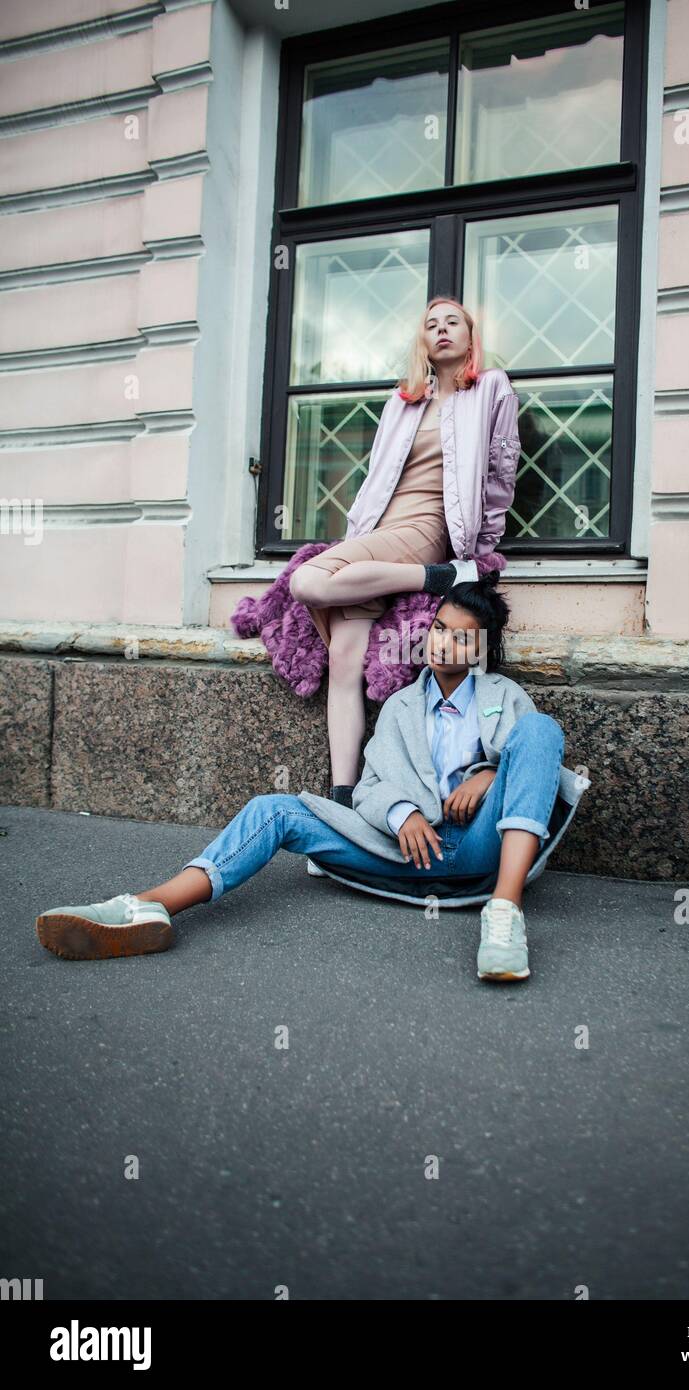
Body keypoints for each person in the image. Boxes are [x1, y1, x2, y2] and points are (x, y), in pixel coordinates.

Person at [35, 575, 576, 984]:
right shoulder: (401, 707)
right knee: (275, 809)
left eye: (462, 639)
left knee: (541, 730)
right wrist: (401, 812)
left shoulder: (504, 698)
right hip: (401, 852)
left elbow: (534, 763)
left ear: (481, 649)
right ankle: (149, 907)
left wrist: (487, 774)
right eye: (438, 628)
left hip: (484, 848)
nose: (443, 644)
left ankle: (503, 918)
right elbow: (369, 788)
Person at [287, 297, 521, 809]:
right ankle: (344, 798)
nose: (441, 331)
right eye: (431, 325)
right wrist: (355, 535)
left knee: (305, 581)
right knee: (344, 658)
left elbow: (502, 475)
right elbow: (376, 478)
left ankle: (441, 574)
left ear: (469, 334)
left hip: (429, 527)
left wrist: (480, 556)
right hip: (378, 530)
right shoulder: (402, 401)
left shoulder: (491, 389)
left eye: (452, 323)